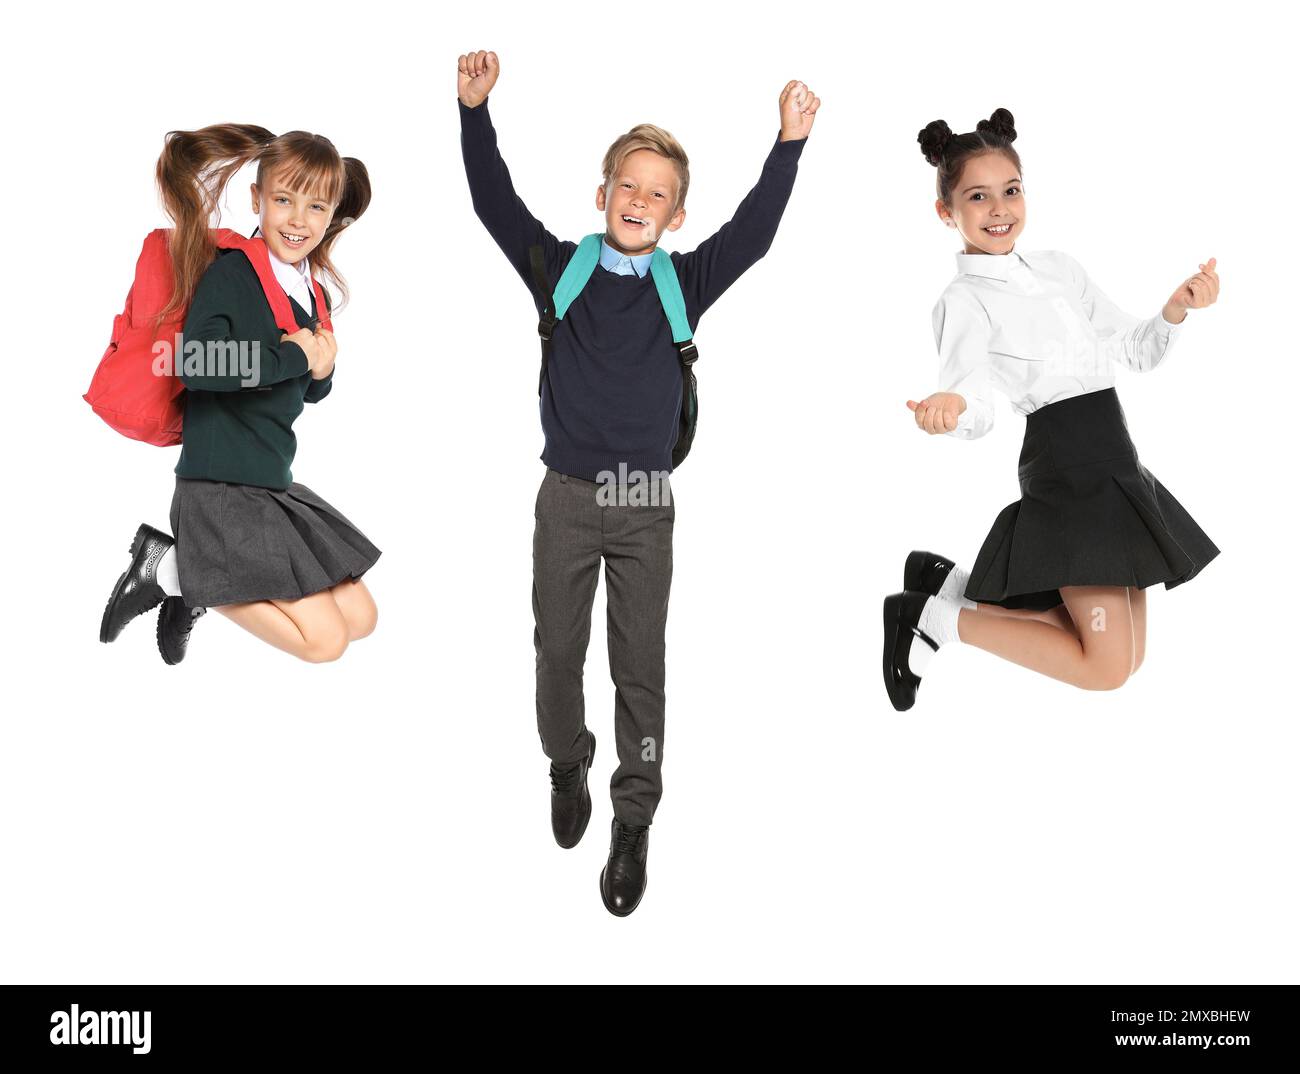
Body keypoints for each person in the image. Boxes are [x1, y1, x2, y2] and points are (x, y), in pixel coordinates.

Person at [458, 49, 818, 914]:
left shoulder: (682, 281)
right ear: (603, 193)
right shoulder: (560, 270)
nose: (639, 201)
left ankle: (633, 817)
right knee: (556, 654)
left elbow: (756, 234)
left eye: (658, 193)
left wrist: (789, 142)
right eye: (628, 184)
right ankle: (566, 759)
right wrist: (473, 113)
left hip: (642, 501)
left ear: (676, 213)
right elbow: (493, 203)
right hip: (569, 497)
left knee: (640, 666)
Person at [883, 108, 1220, 712]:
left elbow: (1133, 350)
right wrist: (950, 408)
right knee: (1107, 666)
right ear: (946, 212)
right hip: (1066, 465)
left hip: (1115, 457)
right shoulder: (964, 298)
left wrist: (1174, 309)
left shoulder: (1060, 269)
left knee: (1130, 654)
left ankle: (951, 589)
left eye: (1010, 191)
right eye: (977, 197)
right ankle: (928, 618)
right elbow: (975, 401)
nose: (998, 209)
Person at [99, 124, 380, 664]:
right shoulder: (233, 274)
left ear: (331, 215)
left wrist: (321, 366)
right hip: (221, 487)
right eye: (283, 200)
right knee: (325, 642)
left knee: (361, 618)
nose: (299, 220)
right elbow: (198, 364)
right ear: (257, 199)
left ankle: (191, 577)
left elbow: (308, 389)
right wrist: (299, 354)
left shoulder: (308, 288)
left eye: (316, 207)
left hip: (269, 484)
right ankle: (175, 573)